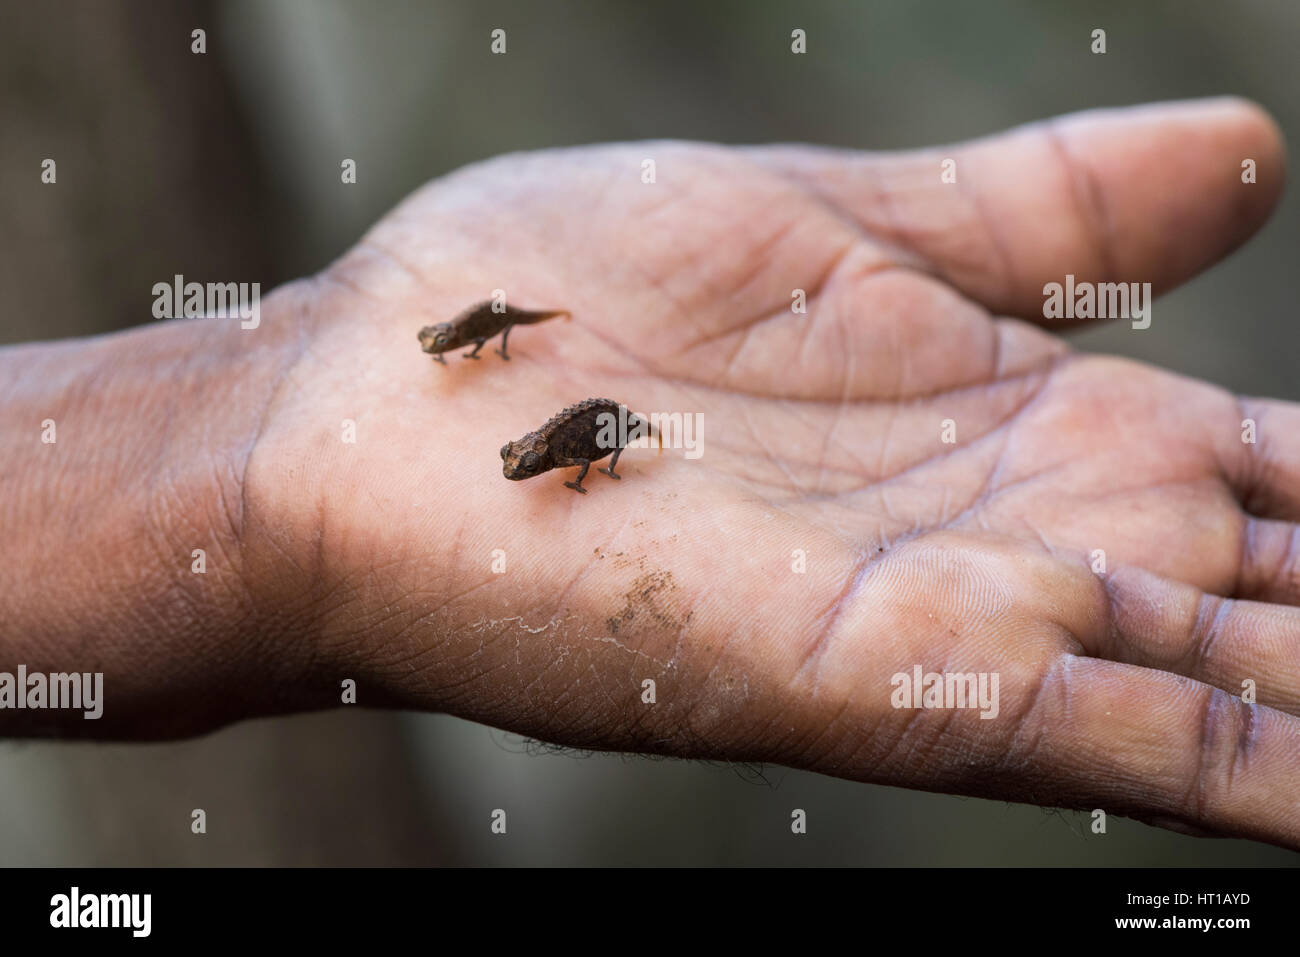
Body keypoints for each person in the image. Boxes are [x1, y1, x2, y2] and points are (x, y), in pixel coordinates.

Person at [3, 97, 1296, 849]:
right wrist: (277, 414)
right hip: (584, 405)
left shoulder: (554, 418)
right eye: (521, 459)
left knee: (597, 429)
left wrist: (281, 399)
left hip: (600, 409)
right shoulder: (509, 417)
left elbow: (578, 435)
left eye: (521, 459)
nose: (522, 466)